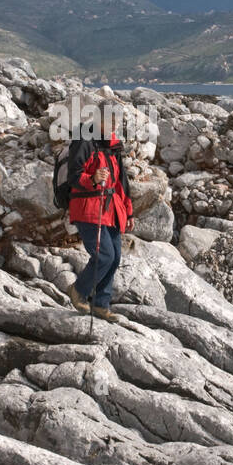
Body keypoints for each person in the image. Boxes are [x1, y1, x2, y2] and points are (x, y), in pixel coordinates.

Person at [66, 102, 135, 321]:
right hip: (88, 208)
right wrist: (93, 179)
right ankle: (78, 291)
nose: (115, 124)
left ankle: (100, 305)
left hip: (111, 208)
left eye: (117, 120)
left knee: (114, 259)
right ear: (98, 119)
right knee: (104, 256)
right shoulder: (84, 140)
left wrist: (129, 211)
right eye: (110, 119)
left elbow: (121, 181)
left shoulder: (113, 146)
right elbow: (73, 176)